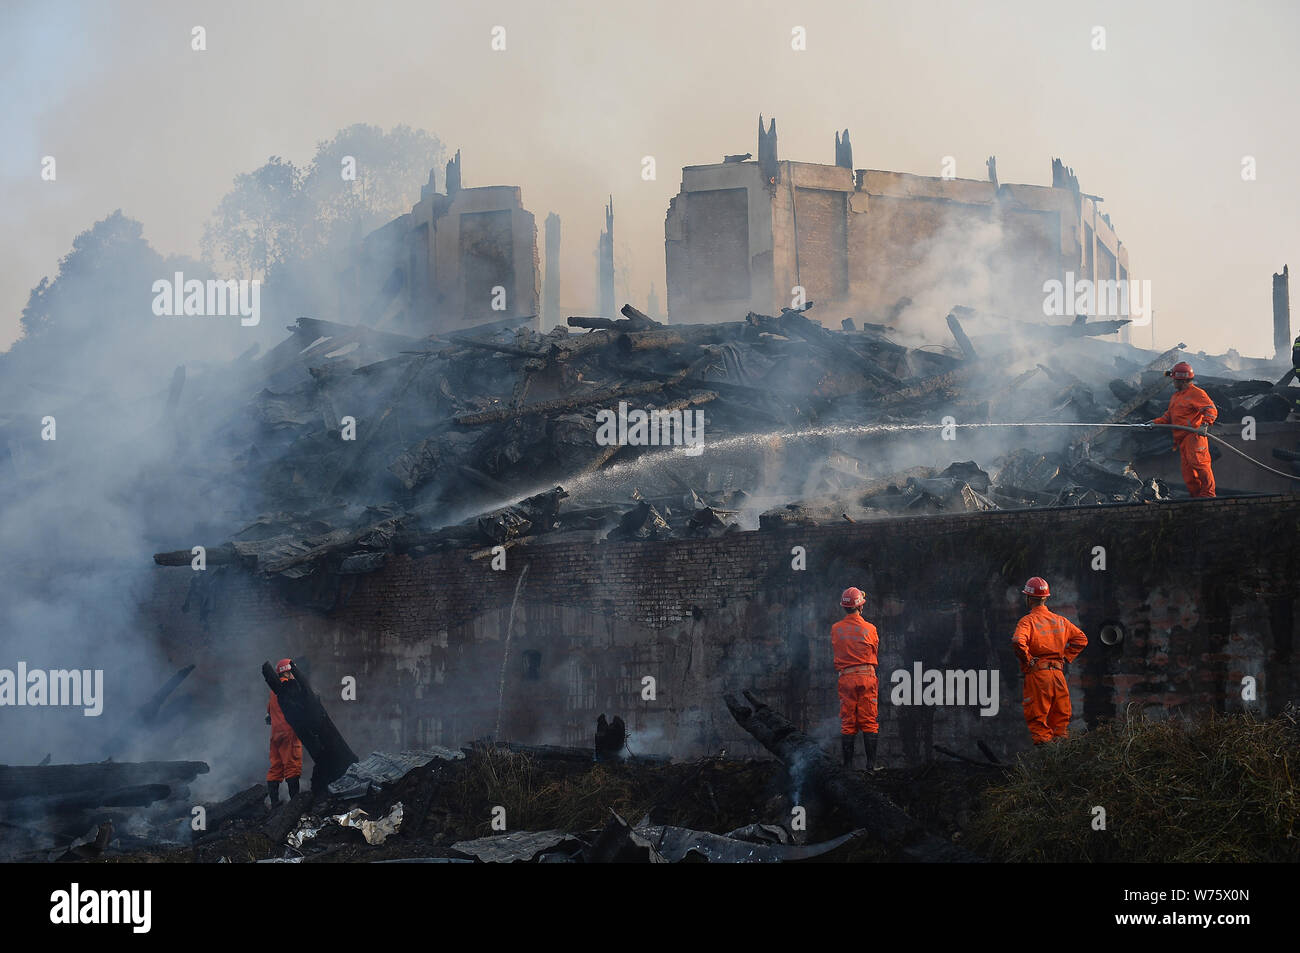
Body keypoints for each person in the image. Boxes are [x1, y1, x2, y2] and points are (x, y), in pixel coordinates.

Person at [1011, 578, 1088, 745]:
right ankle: (1060, 764)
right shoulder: (1061, 621)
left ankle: (1046, 765)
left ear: (1028, 598)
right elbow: (1081, 639)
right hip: (1058, 677)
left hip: (1039, 676)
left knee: (1039, 723)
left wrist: (1029, 659)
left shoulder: (1028, 621)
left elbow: (1018, 641)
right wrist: (1066, 657)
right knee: (1060, 724)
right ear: (1045, 598)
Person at [1151, 361, 1218, 498]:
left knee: (1201, 466)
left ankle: (1209, 497)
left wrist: (1204, 425)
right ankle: (1196, 498)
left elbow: (1211, 410)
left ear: (1182, 380)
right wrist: (1154, 423)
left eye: (1175, 379)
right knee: (1188, 473)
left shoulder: (1196, 393)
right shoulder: (1176, 396)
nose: (1173, 382)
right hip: (1182, 440)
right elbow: (1169, 416)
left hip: (1194, 437)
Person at [831, 587, 879, 769]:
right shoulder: (871, 629)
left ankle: (848, 767)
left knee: (848, 722)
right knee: (869, 720)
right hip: (867, 677)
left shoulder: (836, 629)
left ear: (844, 607)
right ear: (861, 606)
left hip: (846, 678)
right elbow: (874, 650)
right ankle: (871, 766)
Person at [266, 658, 303, 804]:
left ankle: (274, 804)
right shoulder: (291, 687)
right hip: (289, 734)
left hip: (275, 735)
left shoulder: (273, 691)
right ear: (288, 672)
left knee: (276, 767)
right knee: (292, 767)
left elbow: (268, 714)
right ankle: (295, 804)